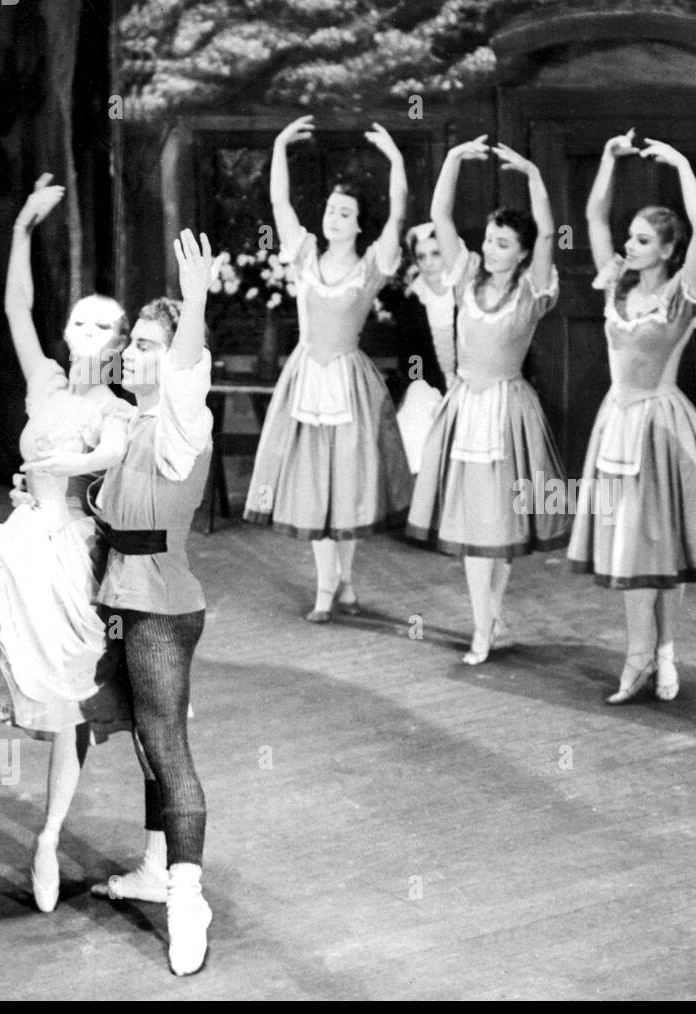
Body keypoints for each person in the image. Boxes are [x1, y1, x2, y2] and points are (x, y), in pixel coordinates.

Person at [0, 173, 134, 913]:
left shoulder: (115, 406)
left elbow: (114, 454)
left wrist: (66, 464)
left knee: (70, 714)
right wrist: (20, 228)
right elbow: (17, 306)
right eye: (78, 321)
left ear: (115, 346)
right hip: (28, 531)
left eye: (100, 326)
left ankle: (48, 834)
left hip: (72, 552)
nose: (83, 331)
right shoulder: (44, 384)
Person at [83, 229, 222, 975]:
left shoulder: (179, 422)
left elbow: (189, 373)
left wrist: (193, 301)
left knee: (167, 744)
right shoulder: (132, 423)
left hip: (162, 605)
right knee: (142, 740)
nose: (131, 351)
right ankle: (152, 863)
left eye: (146, 343)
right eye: (129, 341)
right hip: (122, 600)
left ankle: (187, 896)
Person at [567, 131, 696, 703]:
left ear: (666, 249)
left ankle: (649, 656)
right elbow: (592, 216)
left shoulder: (685, 293)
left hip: (660, 427)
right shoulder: (615, 284)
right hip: (617, 422)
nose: (629, 246)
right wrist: (608, 160)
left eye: (641, 240)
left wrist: (684, 163)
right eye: (630, 238)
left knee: (650, 545)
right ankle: (652, 654)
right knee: (632, 544)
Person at [405, 136, 571, 664]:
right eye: (492, 239)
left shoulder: (534, 289)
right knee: (472, 528)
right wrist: (453, 159)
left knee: (499, 526)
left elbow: (548, 229)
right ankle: (482, 626)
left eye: (504, 242)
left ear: (521, 252)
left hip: (509, 414)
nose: (493, 247)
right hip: (464, 410)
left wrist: (533, 174)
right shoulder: (465, 278)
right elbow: (439, 215)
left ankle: (491, 617)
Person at [243, 116, 412, 621]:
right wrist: (277, 146)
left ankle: (347, 581)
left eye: (346, 212)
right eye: (332, 209)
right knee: (313, 484)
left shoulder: (371, 266)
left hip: (350, 383)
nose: (335, 216)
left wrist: (396, 161)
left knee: (350, 485)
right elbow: (279, 204)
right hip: (306, 382)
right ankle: (326, 586)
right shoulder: (303, 256)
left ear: (360, 224)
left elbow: (398, 216)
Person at [393, 223, 454, 472]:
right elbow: (411, 360)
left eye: (436, 254)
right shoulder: (412, 300)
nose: (428, 263)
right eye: (421, 256)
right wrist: (428, 388)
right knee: (417, 414)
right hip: (430, 385)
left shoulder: (467, 292)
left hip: (469, 383)